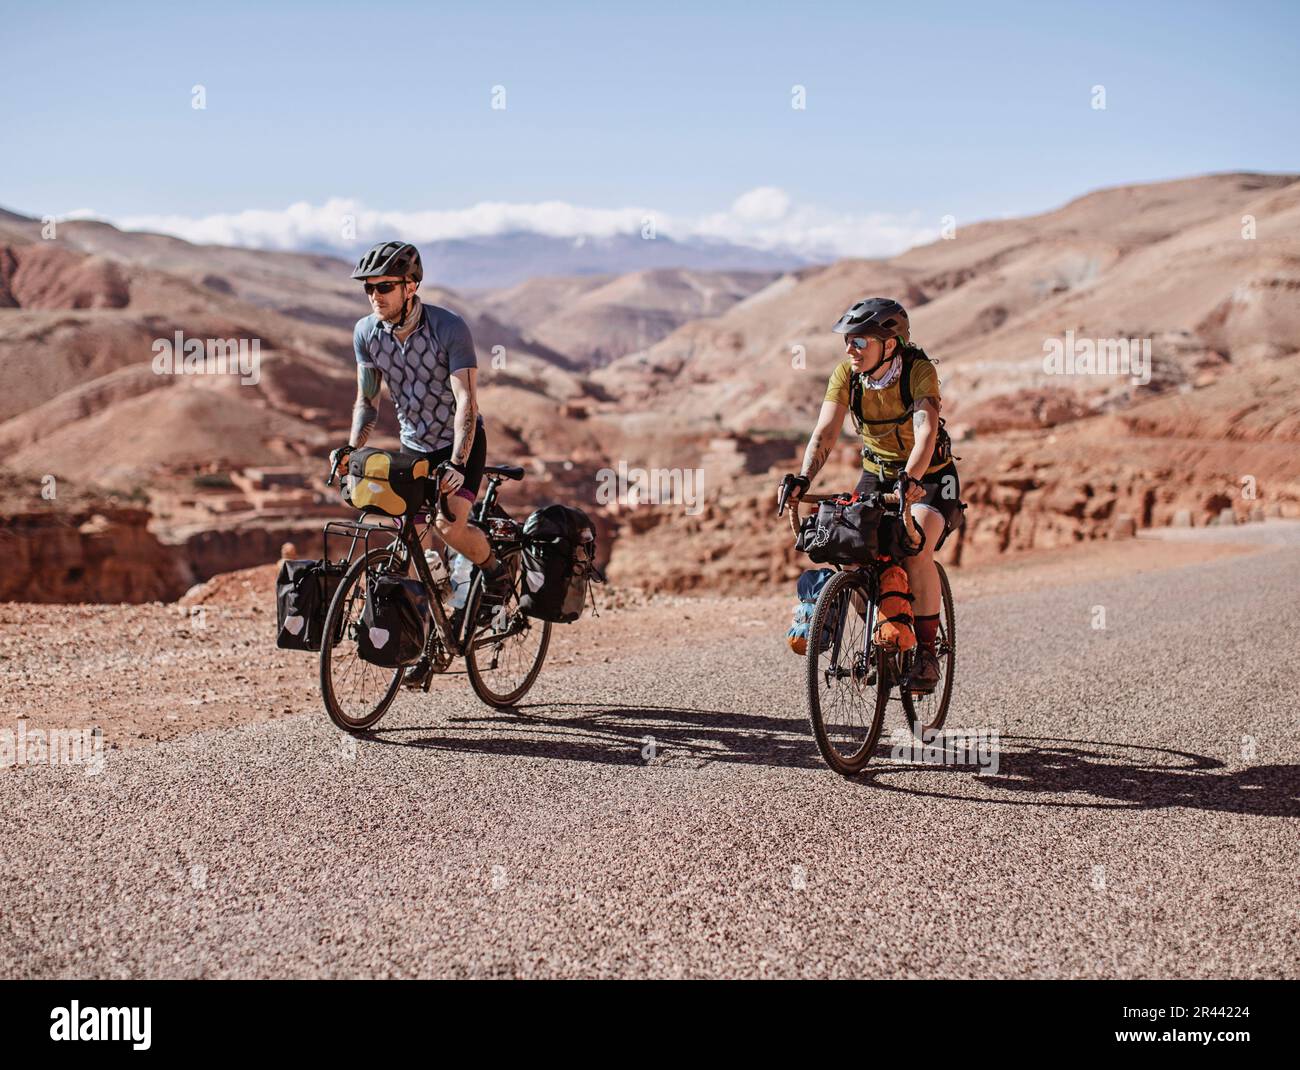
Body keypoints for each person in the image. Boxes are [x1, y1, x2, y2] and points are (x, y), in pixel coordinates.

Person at [330, 240, 510, 688]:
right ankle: (424, 636)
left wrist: (456, 462)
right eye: (369, 288)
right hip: (412, 446)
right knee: (404, 537)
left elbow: (466, 401)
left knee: (449, 527)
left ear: (411, 285)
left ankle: (496, 573)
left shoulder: (448, 327)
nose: (376, 295)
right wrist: (352, 448)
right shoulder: (366, 333)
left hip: (459, 443)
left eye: (386, 286)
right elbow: (366, 402)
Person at [786, 298, 962, 691]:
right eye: (848, 340)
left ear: (891, 343)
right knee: (848, 546)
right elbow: (826, 432)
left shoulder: (918, 371)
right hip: (877, 474)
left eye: (861, 341)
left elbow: (926, 434)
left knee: (916, 546)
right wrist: (803, 479)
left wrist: (911, 479)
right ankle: (887, 628)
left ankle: (928, 654)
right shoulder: (846, 376)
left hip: (931, 477)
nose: (851, 349)